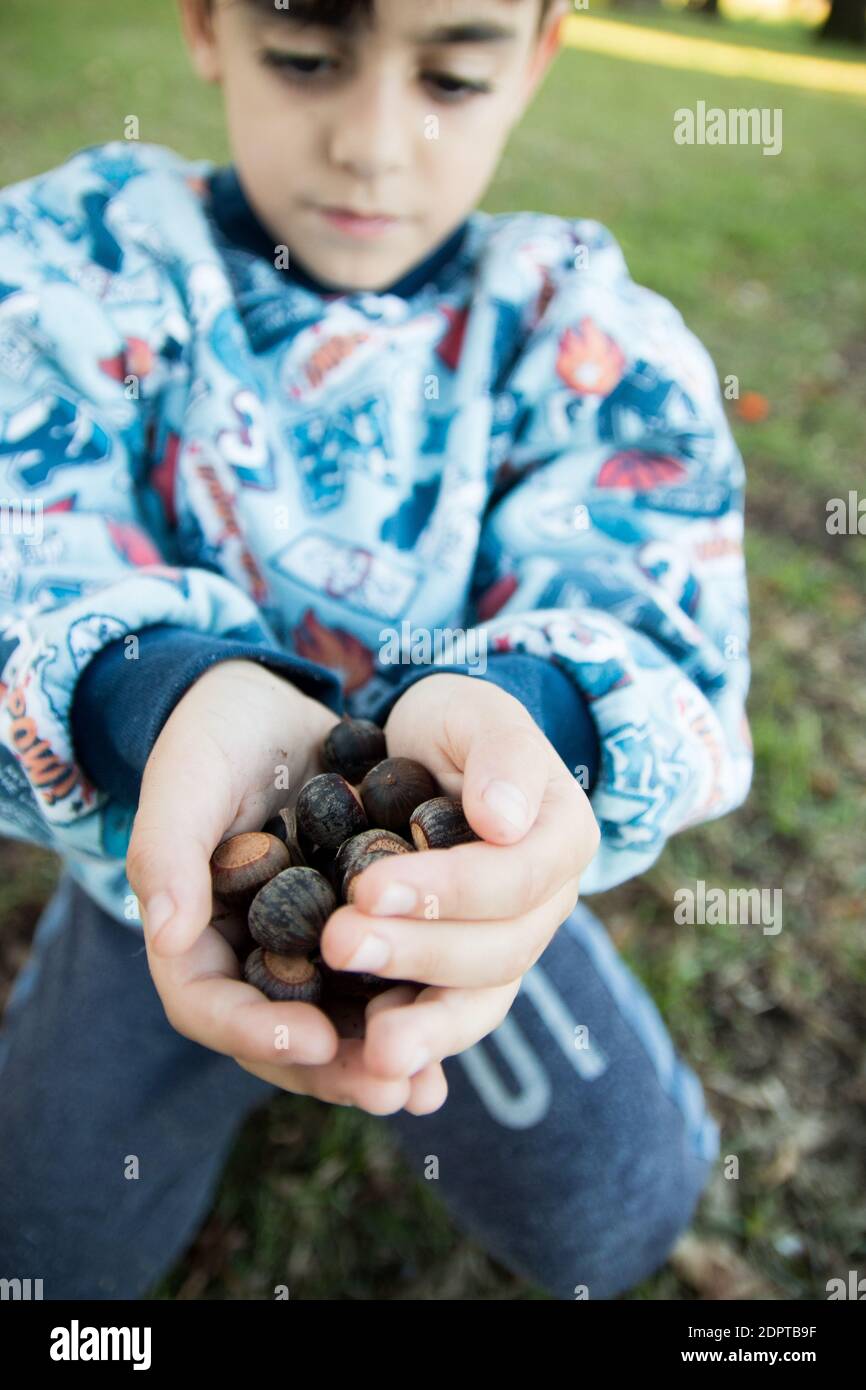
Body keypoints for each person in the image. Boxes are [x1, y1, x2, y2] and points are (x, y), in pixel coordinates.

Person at [0, 0, 753, 1299]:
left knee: (617, 1223)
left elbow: (649, 574)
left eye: (452, 75)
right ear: (205, 23)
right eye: (304, 57)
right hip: (153, 896)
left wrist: (527, 725)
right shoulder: (86, 265)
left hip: (455, 901)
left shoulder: (570, 325)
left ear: (539, 54)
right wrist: (158, 694)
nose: (372, 144)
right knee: (38, 1258)